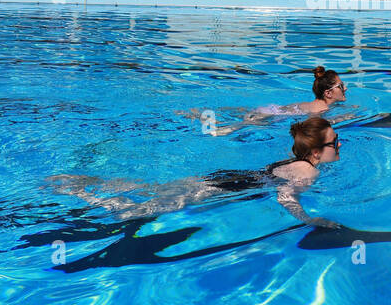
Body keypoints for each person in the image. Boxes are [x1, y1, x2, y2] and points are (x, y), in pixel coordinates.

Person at [49, 116, 342, 226]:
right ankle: (80, 192)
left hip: (225, 176)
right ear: (316, 152)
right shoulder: (309, 172)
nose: (339, 144)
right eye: (334, 141)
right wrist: (309, 219)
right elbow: (284, 197)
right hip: (226, 188)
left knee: (152, 190)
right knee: (130, 214)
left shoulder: (294, 159)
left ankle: (95, 181)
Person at [183, 65, 347, 136]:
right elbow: (311, 126)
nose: (345, 88)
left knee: (234, 116)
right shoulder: (321, 109)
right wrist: (337, 120)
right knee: (222, 131)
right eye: (341, 86)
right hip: (269, 115)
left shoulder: (315, 104)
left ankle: (196, 114)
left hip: (270, 109)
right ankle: (206, 123)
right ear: (328, 93)